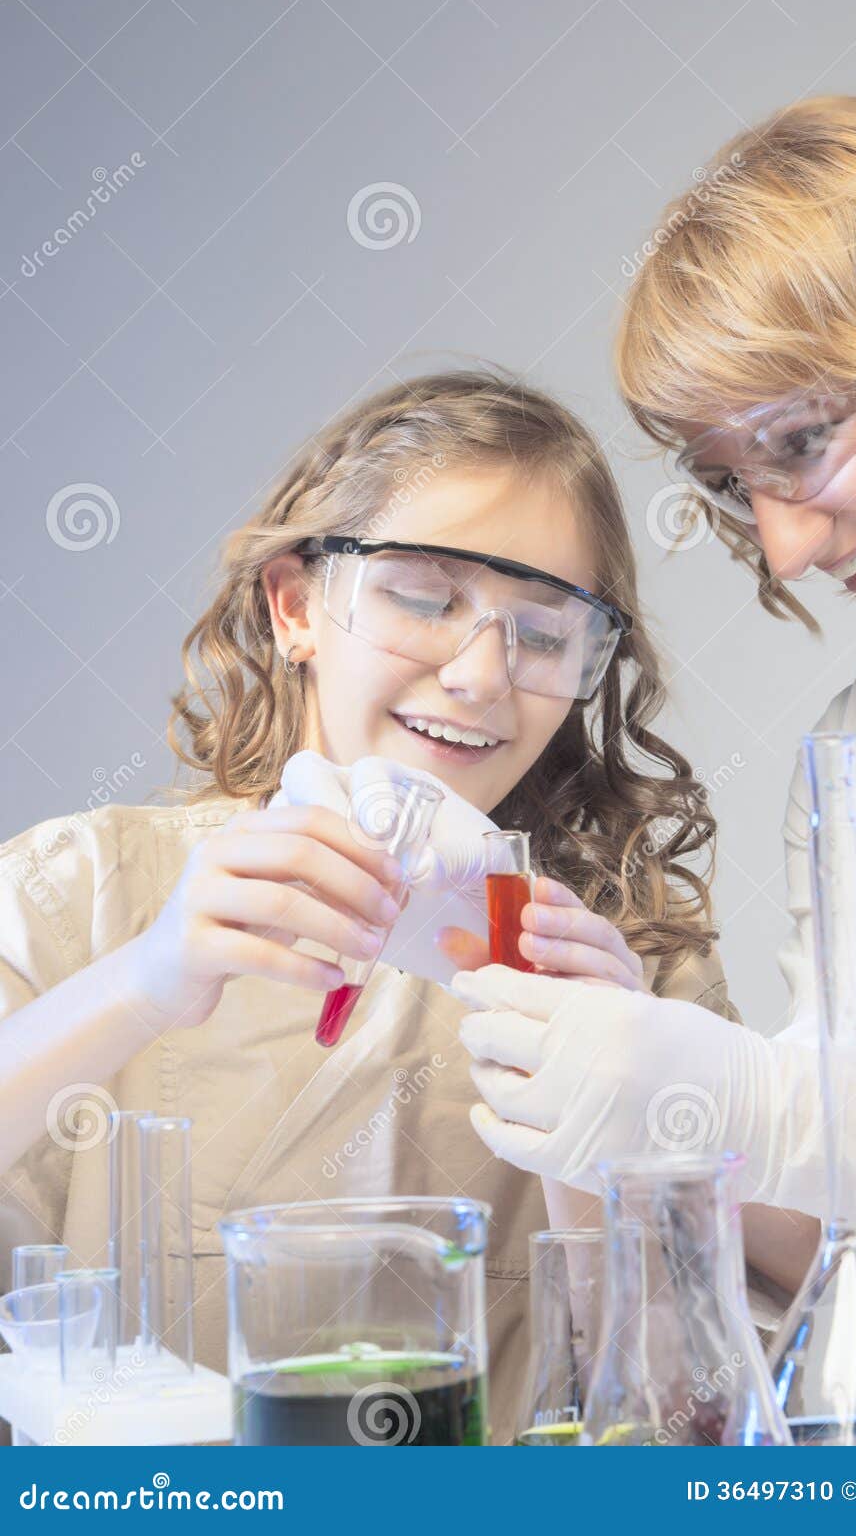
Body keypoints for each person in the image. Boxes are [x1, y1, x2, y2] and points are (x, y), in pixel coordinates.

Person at [453, 98, 856, 1443]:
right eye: (732, 484)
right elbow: (831, 1211)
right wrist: (661, 1092)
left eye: (799, 443)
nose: (781, 548)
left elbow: (824, 1119)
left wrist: (757, 1099)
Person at [0, 370, 730, 1443]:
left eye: (542, 631)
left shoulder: (630, 957)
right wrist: (143, 982)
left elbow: (686, 1430)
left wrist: (596, 1129)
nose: (483, 674)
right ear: (297, 605)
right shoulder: (78, 892)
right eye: (425, 599)